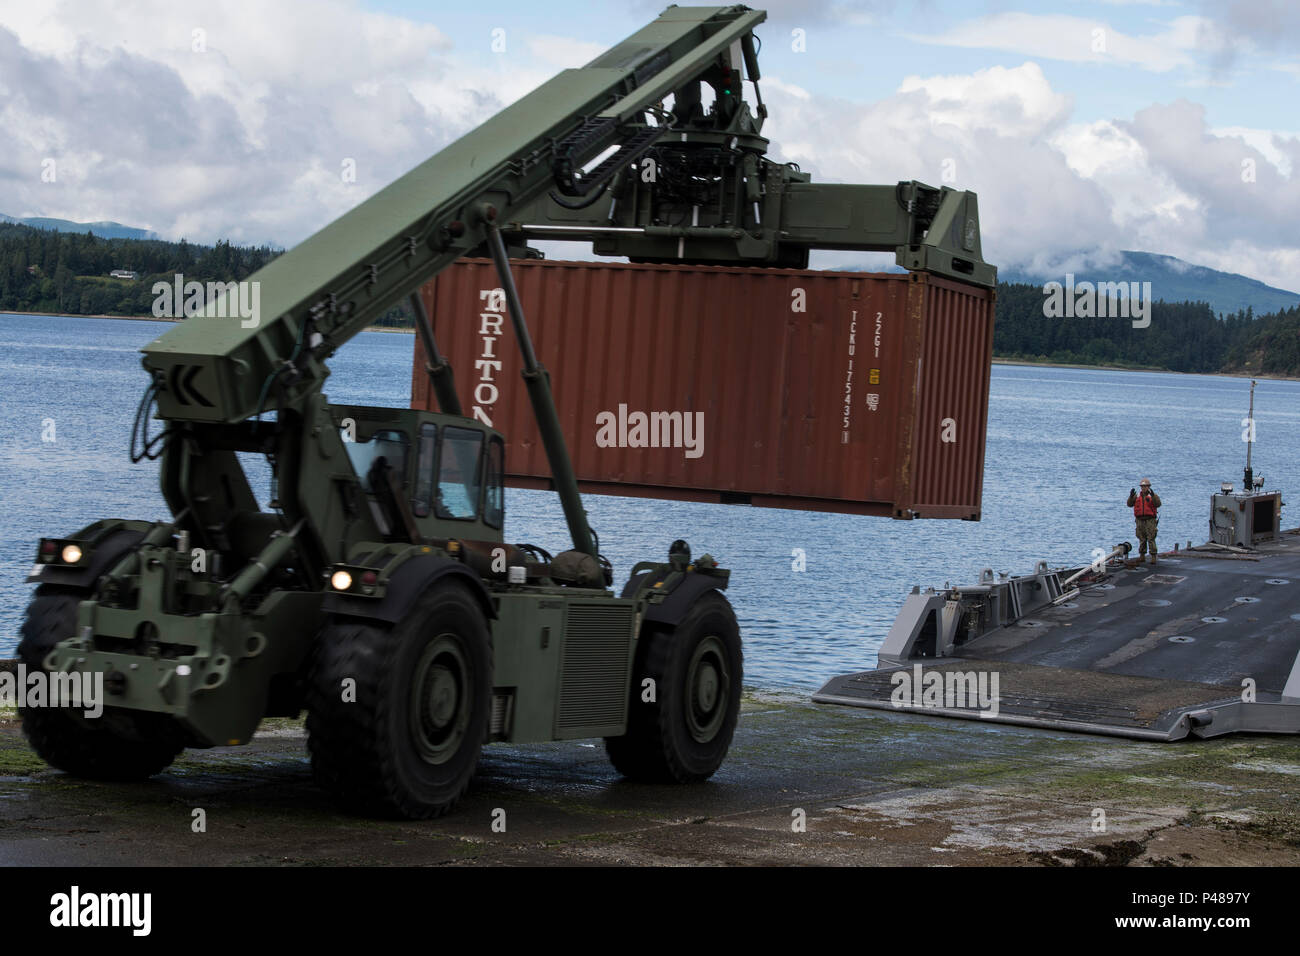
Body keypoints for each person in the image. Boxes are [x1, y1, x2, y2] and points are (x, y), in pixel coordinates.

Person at [1126, 479, 1162, 564]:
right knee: (1141, 538)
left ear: (1149, 487)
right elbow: (1129, 504)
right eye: (1142, 486)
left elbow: (1158, 504)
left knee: (1151, 538)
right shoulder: (1137, 496)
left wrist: (1153, 496)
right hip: (1139, 520)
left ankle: (1153, 556)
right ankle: (1142, 555)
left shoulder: (1152, 495)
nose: (1143, 488)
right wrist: (1131, 497)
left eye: (1145, 486)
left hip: (1150, 519)